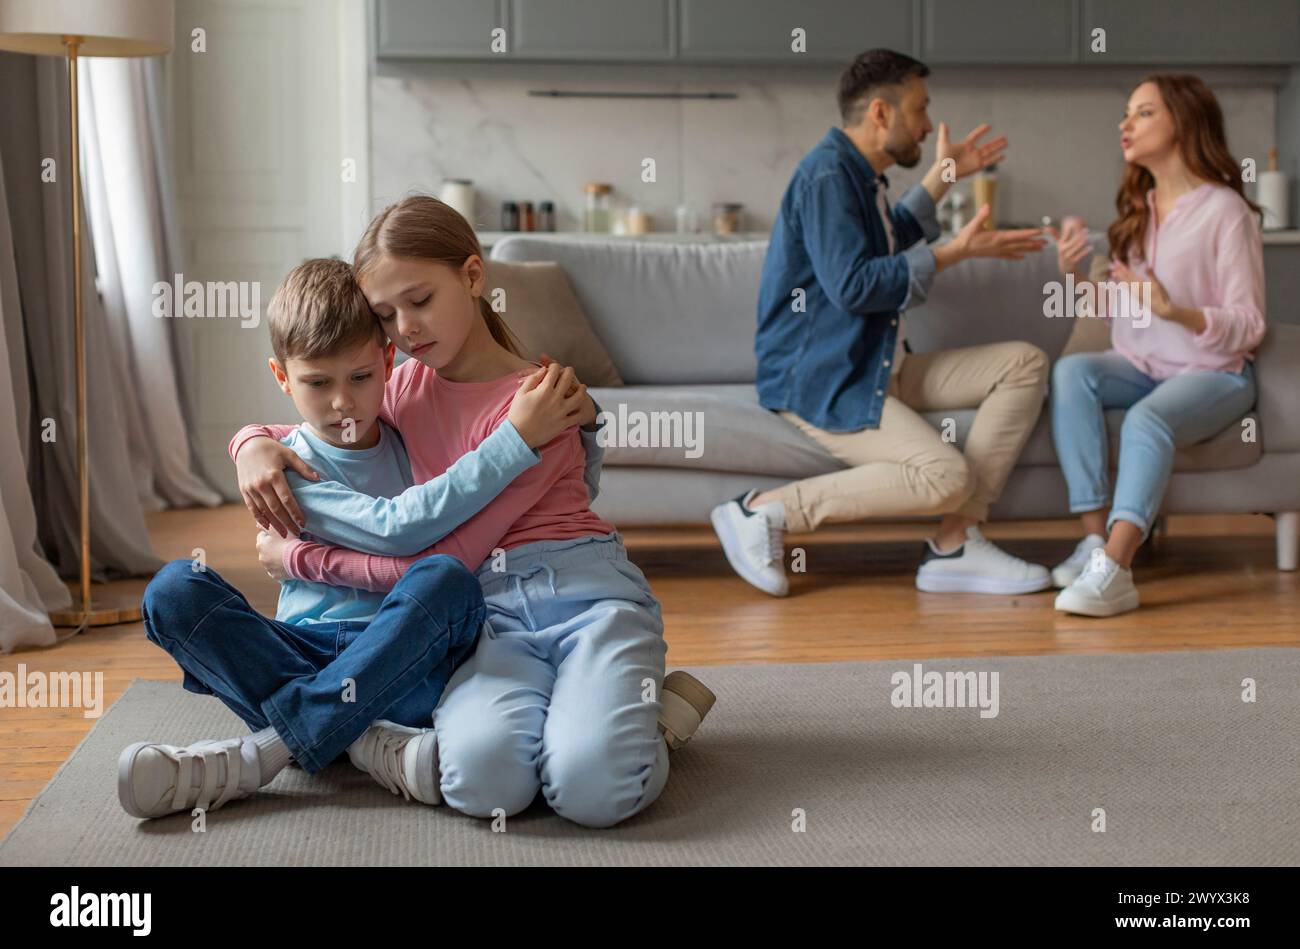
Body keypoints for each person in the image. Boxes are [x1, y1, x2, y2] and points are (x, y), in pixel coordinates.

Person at [234, 197, 715, 829]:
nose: (405, 328)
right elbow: (322, 422)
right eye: (386, 314)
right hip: (484, 619)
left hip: (584, 598)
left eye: (421, 299)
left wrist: (302, 557)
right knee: (482, 785)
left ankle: (659, 722)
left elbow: (439, 555)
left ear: (472, 276)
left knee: (591, 790)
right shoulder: (400, 385)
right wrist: (251, 443)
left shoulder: (542, 403)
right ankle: (580, 722)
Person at [120, 258, 585, 818]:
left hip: (405, 655)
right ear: (281, 377)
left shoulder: (412, 433)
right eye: (318, 383)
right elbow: (396, 530)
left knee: (446, 582)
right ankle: (362, 741)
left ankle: (261, 753)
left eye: (361, 378)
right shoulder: (286, 470)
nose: (343, 403)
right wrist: (251, 443)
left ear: (388, 361)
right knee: (174, 590)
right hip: (304, 652)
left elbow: (418, 537)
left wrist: (300, 555)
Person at [711, 48, 1052, 597]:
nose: (925, 125)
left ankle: (956, 540)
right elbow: (853, 285)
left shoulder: (859, 176)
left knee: (1022, 363)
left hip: (875, 362)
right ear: (879, 113)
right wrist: (951, 253)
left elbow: (888, 236)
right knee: (945, 475)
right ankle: (761, 512)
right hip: (822, 377)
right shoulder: (828, 176)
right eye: (919, 110)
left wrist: (943, 176)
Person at [1049, 75, 1265, 617]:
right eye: (1127, 113)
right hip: (1144, 364)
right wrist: (1074, 275)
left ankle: (1118, 572)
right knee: (1072, 373)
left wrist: (1176, 312)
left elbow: (1250, 324)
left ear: (1183, 122)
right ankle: (1096, 544)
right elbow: (1115, 309)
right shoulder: (1139, 210)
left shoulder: (1226, 213)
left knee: (1148, 420)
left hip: (1213, 372)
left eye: (1143, 113)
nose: (1125, 124)